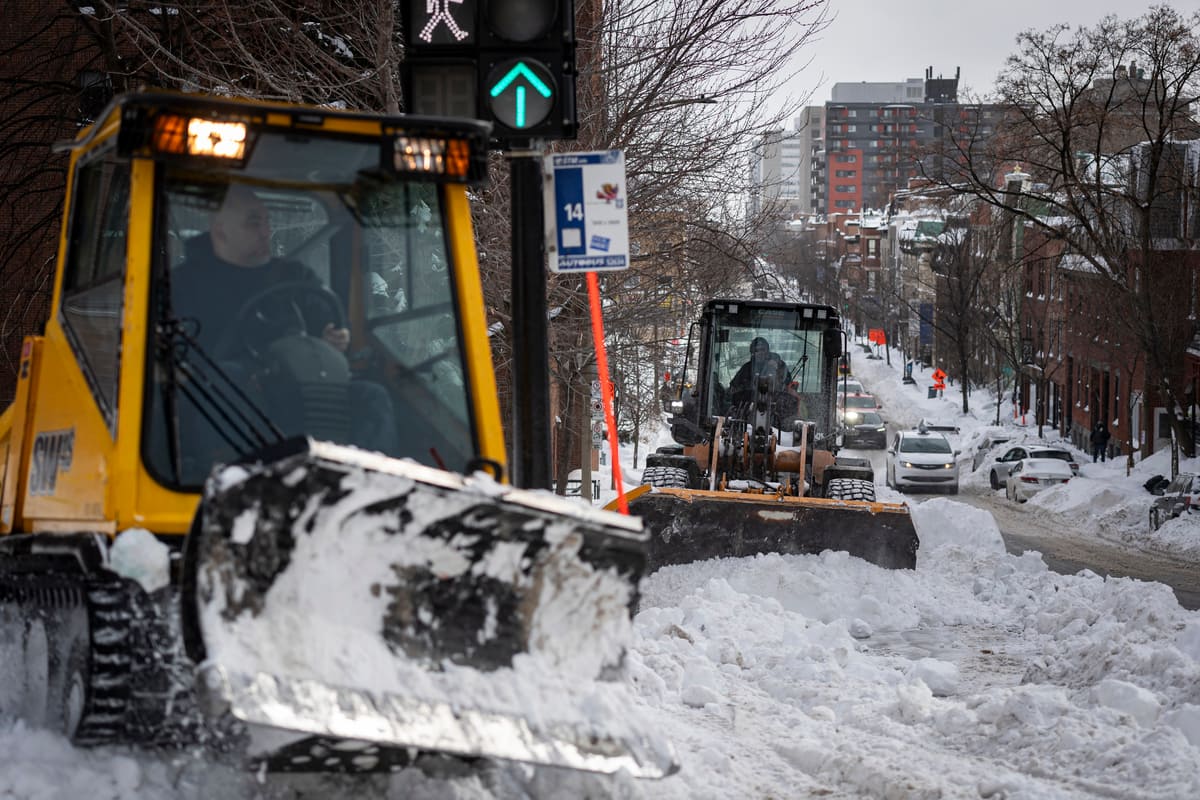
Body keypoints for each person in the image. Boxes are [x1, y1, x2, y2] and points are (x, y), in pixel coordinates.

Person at [172, 183, 397, 455]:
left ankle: (371, 484)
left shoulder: (295, 276)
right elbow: (177, 352)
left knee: (372, 396)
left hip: (300, 387)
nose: (266, 232)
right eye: (254, 223)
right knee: (226, 379)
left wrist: (336, 337)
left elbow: (330, 320)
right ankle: (234, 480)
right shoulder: (185, 285)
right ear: (221, 230)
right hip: (230, 397)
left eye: (267, 222)